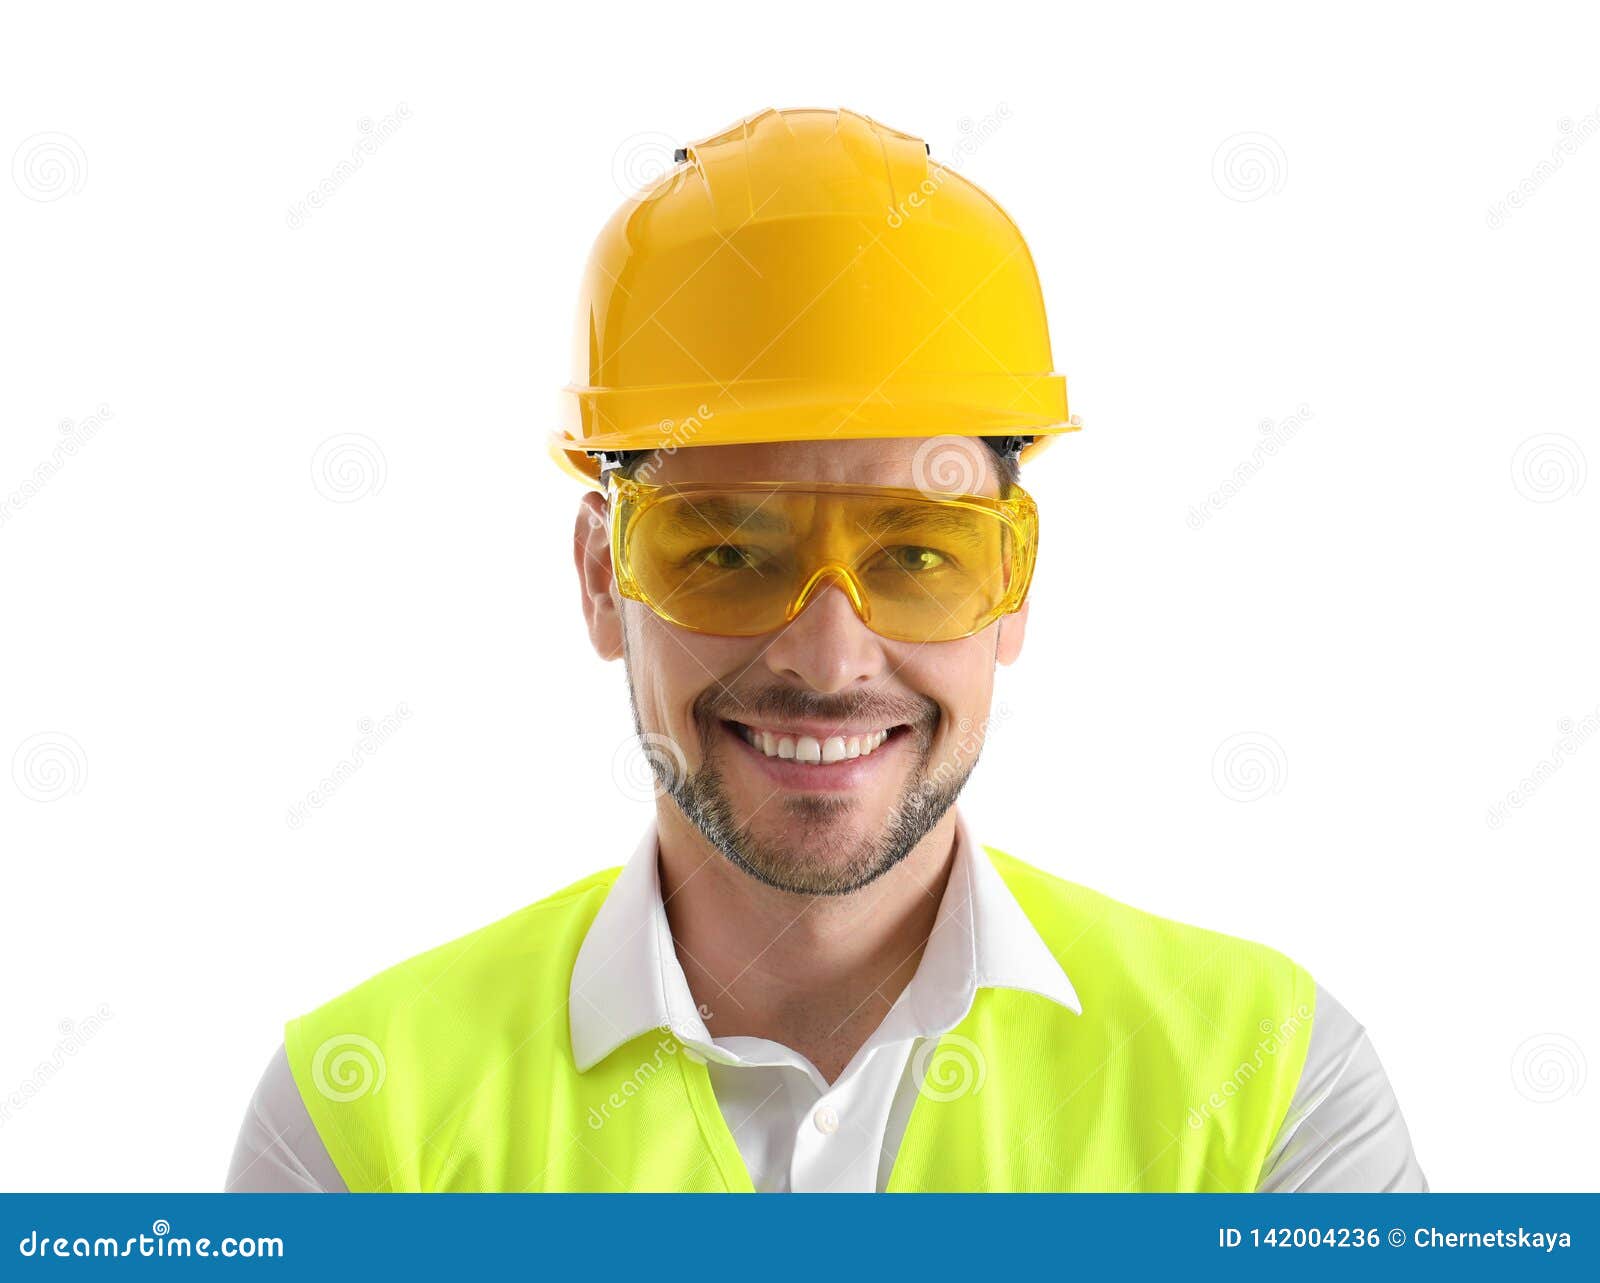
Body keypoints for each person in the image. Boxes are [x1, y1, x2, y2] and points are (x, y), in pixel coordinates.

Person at [227, 107, 1427, 1193]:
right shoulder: (362, 1122)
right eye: (726, 550)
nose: (829, 655)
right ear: (601, 577)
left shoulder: (1269, 1091)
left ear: (1014, 586)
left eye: (917, 553)